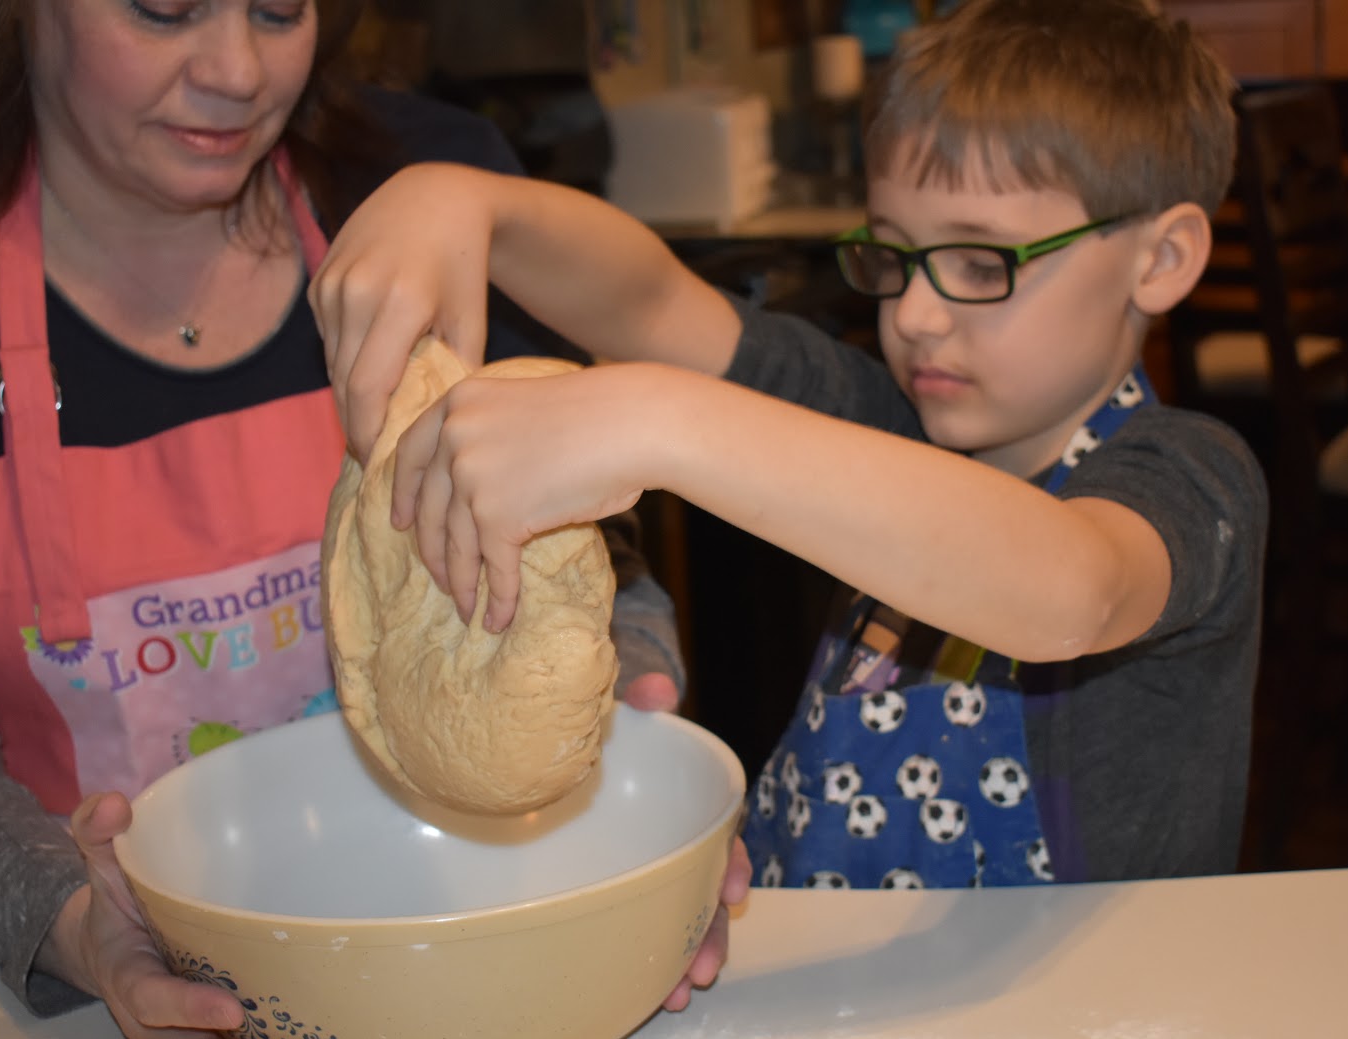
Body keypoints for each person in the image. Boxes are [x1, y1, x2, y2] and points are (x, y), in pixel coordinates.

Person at [0, 1, 745, 1039]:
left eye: (278, 8)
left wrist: (633, 818)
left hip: (481, 943)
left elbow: (591, 558)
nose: (238, 72)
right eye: (164, 8)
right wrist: (82, 925)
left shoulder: (431, 187)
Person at [310, 0, 1266, 892]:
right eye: (894, 257)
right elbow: (651, 305)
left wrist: (658, 421)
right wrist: (467, 203)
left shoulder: (1191, 476)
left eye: (981, 262)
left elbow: (1070, 589)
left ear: (1162, 258)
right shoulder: (889, 419)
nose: (917, 315)